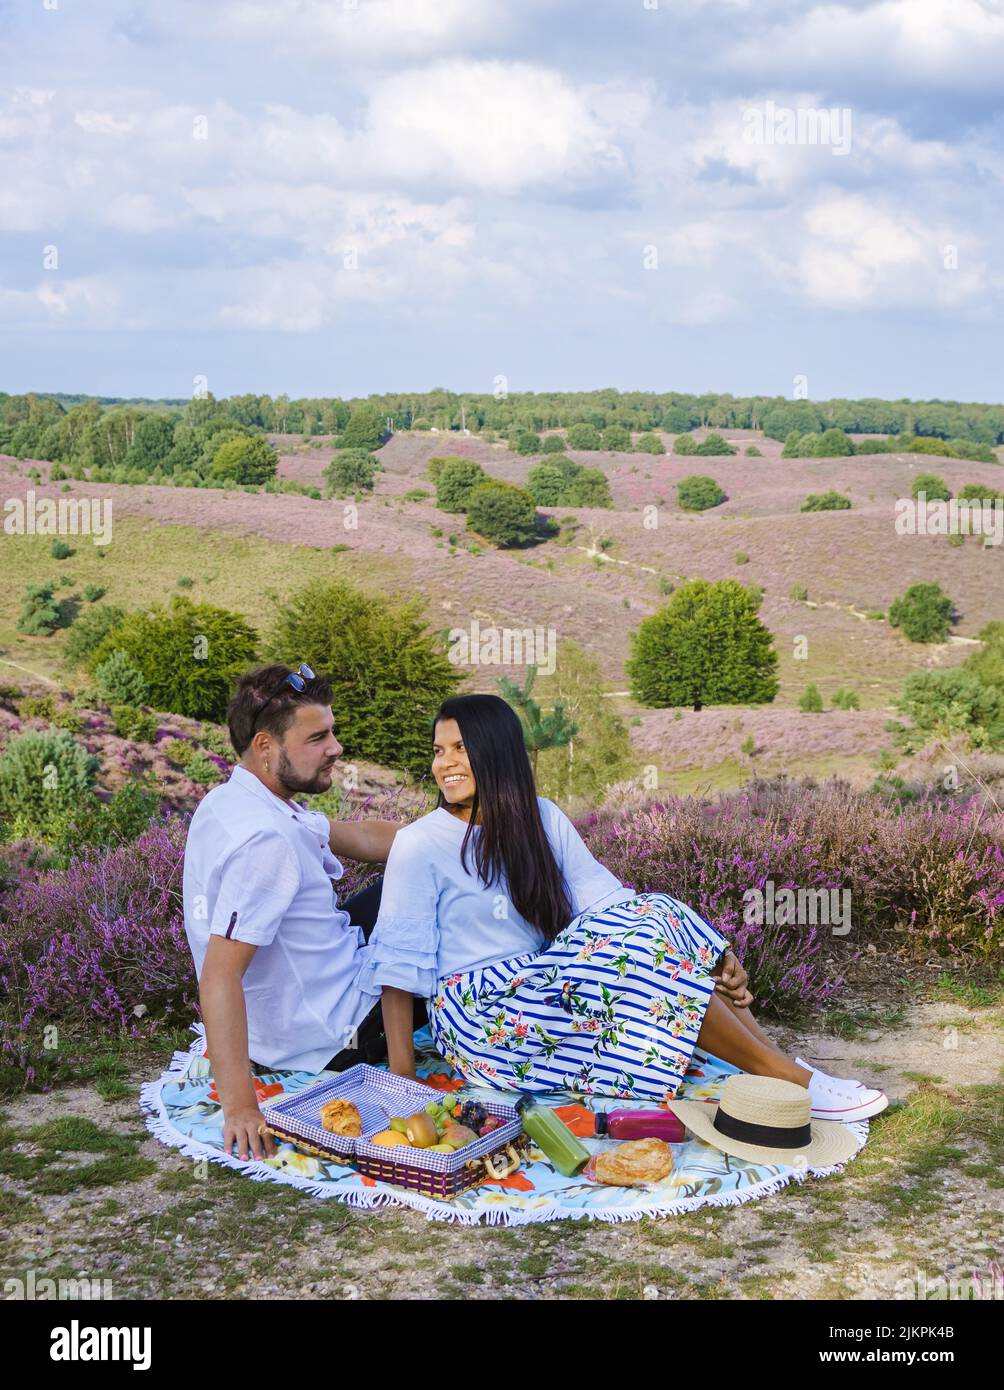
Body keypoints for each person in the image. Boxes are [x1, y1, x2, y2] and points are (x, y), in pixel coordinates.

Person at [355, 694, 887, 1122]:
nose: (444, 763)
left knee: (656, 913)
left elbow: (608, 902)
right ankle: (794, 1082)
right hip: (484, 1016)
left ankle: (784, 1069)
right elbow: (399, 963)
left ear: (497, 752)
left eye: (459, 748)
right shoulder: (421, 843)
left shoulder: (539, 816)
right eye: (438, 750)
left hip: (540, 982)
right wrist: (403, 1076)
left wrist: (710, 950)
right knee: (637, 946)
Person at [182, 663, 424, 1165]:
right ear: (266, 747)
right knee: (436, 904)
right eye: (318, 737)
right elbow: (219, 976)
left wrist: (460, 842)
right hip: (333, 1035)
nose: (335, 748)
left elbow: (359, 837)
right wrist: (241, 1108)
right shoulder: (267, 842)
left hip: (291, 1011)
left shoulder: (236, 801)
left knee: (413, 873)